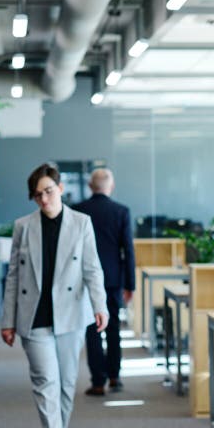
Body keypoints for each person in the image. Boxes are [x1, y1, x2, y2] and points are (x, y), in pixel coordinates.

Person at [1, 163, 108, 428]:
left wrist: (100, 305)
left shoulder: (81, 223)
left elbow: (92, 268)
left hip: (71, 314)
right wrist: (8, 319)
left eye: (48, 191)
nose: (44, 199)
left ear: (60, 189)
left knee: (67, 383)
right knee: (45, 380)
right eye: (37, 195)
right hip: (33, 316)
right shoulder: (24, 226)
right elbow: (13, 276)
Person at [73, 168, 136, 395]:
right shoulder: (121, 211)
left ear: (91, 186)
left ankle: (98, 381)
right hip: (112, 280)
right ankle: (115, 377)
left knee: (92, 329)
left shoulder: (78, 211)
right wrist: (130, 285)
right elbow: (128, 250)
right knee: (113, 329)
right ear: (111, 186)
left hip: (85, 280)